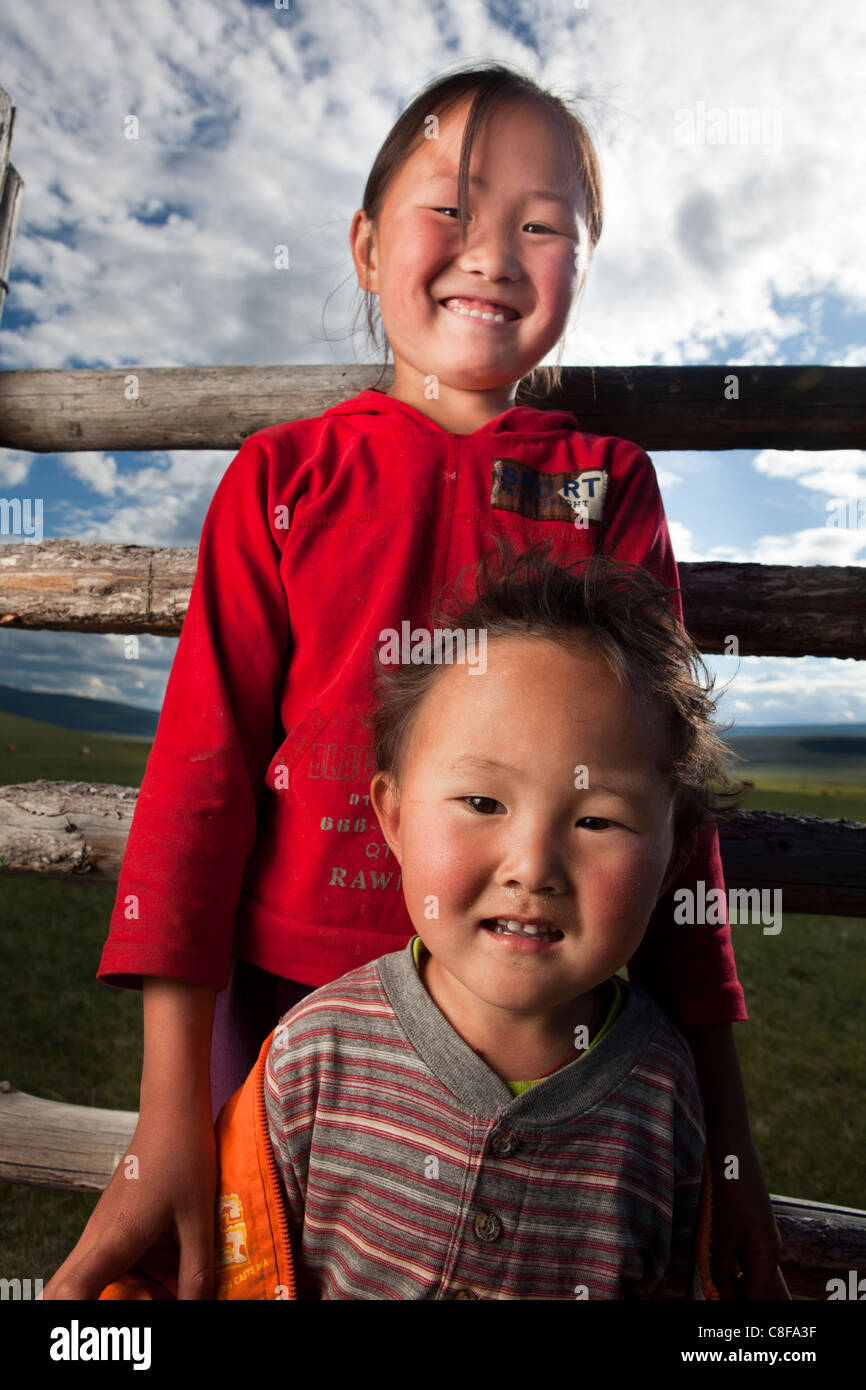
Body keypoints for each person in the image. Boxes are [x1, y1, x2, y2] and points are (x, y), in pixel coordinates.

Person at [42, 59, 787, 1302]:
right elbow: (197, 787)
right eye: (450, 208)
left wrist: (720, 1133)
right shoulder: (282, 478)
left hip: (549, 1012)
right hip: (283, 1006)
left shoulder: (609, 482)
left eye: (544, 226)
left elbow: (667, 799)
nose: (492, 253)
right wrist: (164, 1117)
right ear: (363, 241)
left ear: (585, 268)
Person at [100, 547, 737, 1300]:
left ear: (671, 863)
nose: (532, 867)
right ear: (394, 818)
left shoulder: (668, 1097)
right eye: (482, 803)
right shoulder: (311, 1059)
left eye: (598, 819)